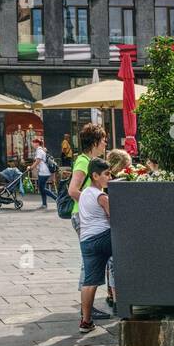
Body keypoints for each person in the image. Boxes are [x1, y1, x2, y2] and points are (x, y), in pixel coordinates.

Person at [67, 122, 113, 319]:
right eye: (103, 140)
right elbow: (72, 190)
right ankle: (87, 308)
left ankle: (88, 307)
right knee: (89, 262)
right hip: (83, 216)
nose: (105, 144)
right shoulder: (83, 162)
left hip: (86, 215)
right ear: (94, 141)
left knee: (91, 260)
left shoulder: (92, 162)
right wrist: (92, 203)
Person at [77, 157, 115, 332]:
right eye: (106, 174)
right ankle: (122, 307)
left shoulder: (84, 193)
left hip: (87, 241)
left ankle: (86, 321)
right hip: (103, 238)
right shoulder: (102, 196)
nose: (110, 177)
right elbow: (114, 218)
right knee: (122, 261)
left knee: (89, 282)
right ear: (95, 175)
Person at [31, 137, 56, 209]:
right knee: (42, 188)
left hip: (44, 172)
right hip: (44, 171)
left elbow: (38, 161)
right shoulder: (41, 150)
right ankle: (44, 204)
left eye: (33, 143)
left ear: (37, 143)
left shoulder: (39, 150)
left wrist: (31, 167)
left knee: (42, 188)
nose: (32, 144)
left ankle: (57, 199)